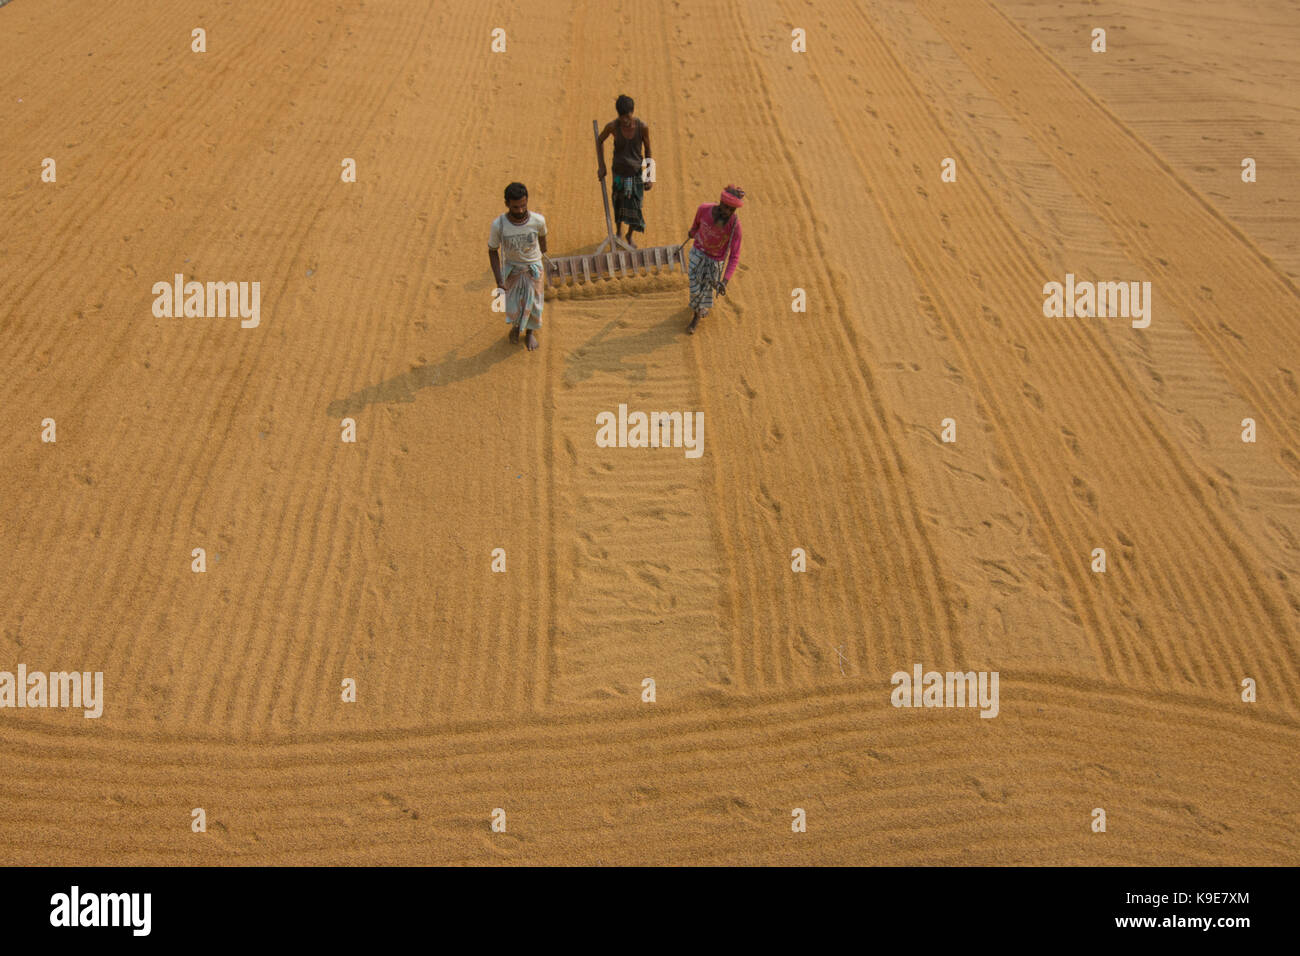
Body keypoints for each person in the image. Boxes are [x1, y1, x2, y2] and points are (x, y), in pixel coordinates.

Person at [488, 182, 548, 351]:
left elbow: (543, 236)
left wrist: (542, 250)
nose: (520, 210)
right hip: (512, 270)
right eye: (515, 207)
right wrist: (499, 280)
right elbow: (492, 251)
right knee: (513, 305)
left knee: (534, 304)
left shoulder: (538, 220)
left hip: (533, 269)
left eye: (523, 205)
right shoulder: (498, 225)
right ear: (507, 204)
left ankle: (530, 333)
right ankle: (516, 327)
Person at [681, 185, 744, 334]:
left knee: (705, 290)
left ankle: (696, 317)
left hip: (715, 262)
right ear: (720, 202)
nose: (727, 212)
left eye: (731, 210)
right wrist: (692, 232)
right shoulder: (703, 209)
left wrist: (725, 281)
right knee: (695, 287)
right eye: (725, 207)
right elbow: (696, 225)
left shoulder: (736, 227)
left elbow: (734, 256)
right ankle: (698, 306)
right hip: (698, 253)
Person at [596, 94, 653, 246]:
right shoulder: (613, 126)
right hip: (619, 173)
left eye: (627, 117)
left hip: (635, 173)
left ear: (632, 112)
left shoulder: (642, 127)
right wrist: (602, 166)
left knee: (636, 205)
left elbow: (648, 150)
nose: (624, 121)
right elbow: (599, 140)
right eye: (622, 118)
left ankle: (629, 235)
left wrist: (650, 175)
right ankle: (619, 233)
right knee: (619, 204)